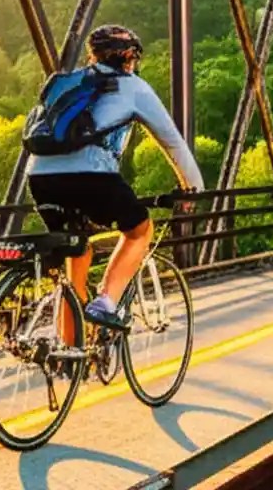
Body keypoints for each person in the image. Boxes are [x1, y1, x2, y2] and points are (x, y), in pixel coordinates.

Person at [26, 24, 204, 334]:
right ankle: (107, 301)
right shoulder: (133, 86)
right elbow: (171, 141)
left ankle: (69, 353)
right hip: (91, 176)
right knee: (139, 229)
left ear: (93, 55)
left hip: (40, 177)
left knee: (76, 253)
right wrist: (193, 188)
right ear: (130, 57)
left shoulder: (68, 83)